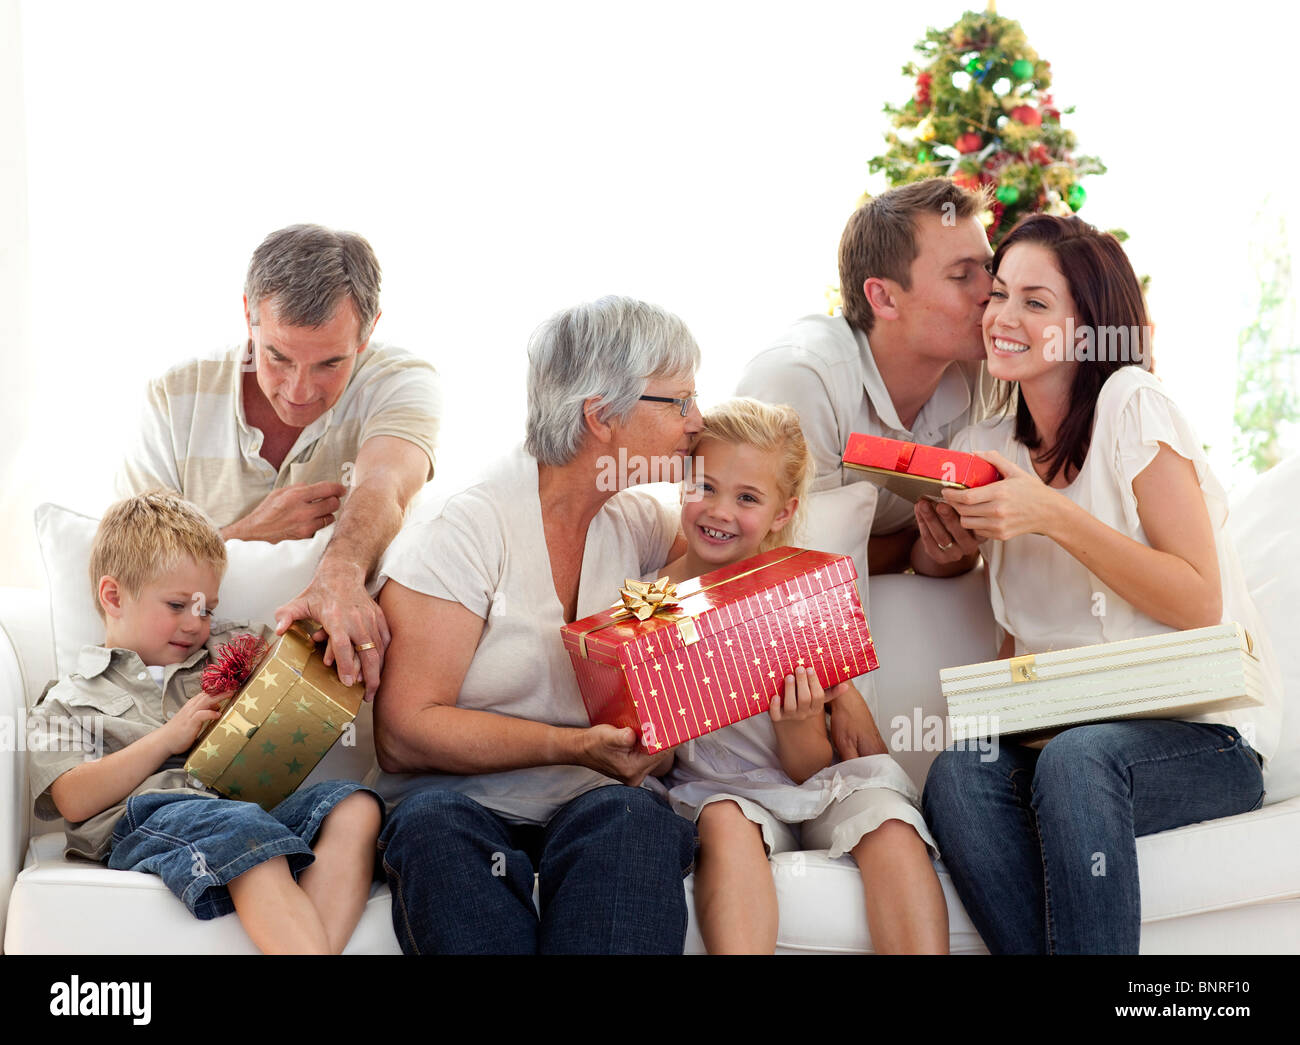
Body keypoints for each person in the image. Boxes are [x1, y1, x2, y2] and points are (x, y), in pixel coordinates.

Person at [918, 214, 1283, 954]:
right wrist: (945, 553)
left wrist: (1052, 514)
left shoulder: (1131, 404)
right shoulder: (984, 447)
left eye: (1036, 302)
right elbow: (1019, 630)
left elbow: (1197, 601)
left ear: (1087, 331)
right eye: (999, 295)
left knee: (1079, 758)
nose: (1003, 318)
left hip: (1200, 741)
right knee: (960, 770)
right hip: (1059, 734)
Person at [371, 296, 700, 954]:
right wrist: (572, 745)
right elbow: (404, 733)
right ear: (600, 416)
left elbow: (736, 554)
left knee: (638, 819)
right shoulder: (467, 526)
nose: (699, 422)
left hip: (593, 805)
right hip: (462, 807)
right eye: (682, 403)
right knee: (435, 828)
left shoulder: (634, 521)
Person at [27, 491, 384, 954]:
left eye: (206, 609)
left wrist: (312, 635)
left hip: (248, 805)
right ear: (113, 596)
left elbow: (284, 663)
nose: (196, 624)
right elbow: (72, 799)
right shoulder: (69, 697)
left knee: (355, 805)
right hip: (146, 818)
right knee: (239, 825)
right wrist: (167, 739)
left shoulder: (225, 650)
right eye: (177, 605)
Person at [658, 397, 947, 954]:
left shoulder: (798, 596)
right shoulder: (652, 603)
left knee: (890, 824)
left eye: (747, 498)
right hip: (720, 788)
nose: (719, 510)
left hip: (816, 779)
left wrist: (800, 724)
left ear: (782, 513)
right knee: (722, 822)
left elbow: (813, 768)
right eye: (706, 487)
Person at [116, 225, 441, 701]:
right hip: (185, 698)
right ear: (249, 314)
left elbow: (387, 485)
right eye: (278, 357)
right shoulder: (173, 397)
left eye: (330, 363)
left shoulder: (400, 381)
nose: (299, 390)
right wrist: (246, 533)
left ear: (368, 332)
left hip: (331, 697)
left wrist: (340, 574)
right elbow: (131, 573)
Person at [736, 178, 994, 760]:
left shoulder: (980, 376)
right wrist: (905, 551)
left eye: (989, 267)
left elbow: (951, 549)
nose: (991, 292)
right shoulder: (801, 380)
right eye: (963, 276)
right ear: (882, 297)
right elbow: (779, 559)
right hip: (771, 646)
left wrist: (937, 551)